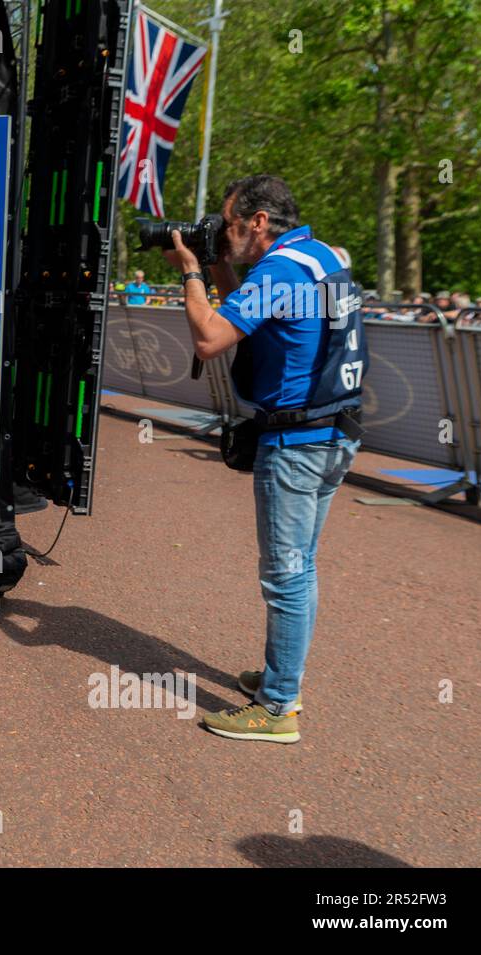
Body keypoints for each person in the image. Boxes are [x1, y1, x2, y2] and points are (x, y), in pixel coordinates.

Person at [161, 174, 364, 745]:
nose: (223, 236)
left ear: (257, 222)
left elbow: (209, 337)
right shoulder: (319, 256)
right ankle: (282, 677)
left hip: (298, 443)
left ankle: (277, 708)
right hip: (336, 432)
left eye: (228, 226)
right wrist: (219, 264)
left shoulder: (280, 270)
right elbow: (256, 313)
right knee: (303, 564)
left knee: (286, 573)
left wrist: (192, 271)